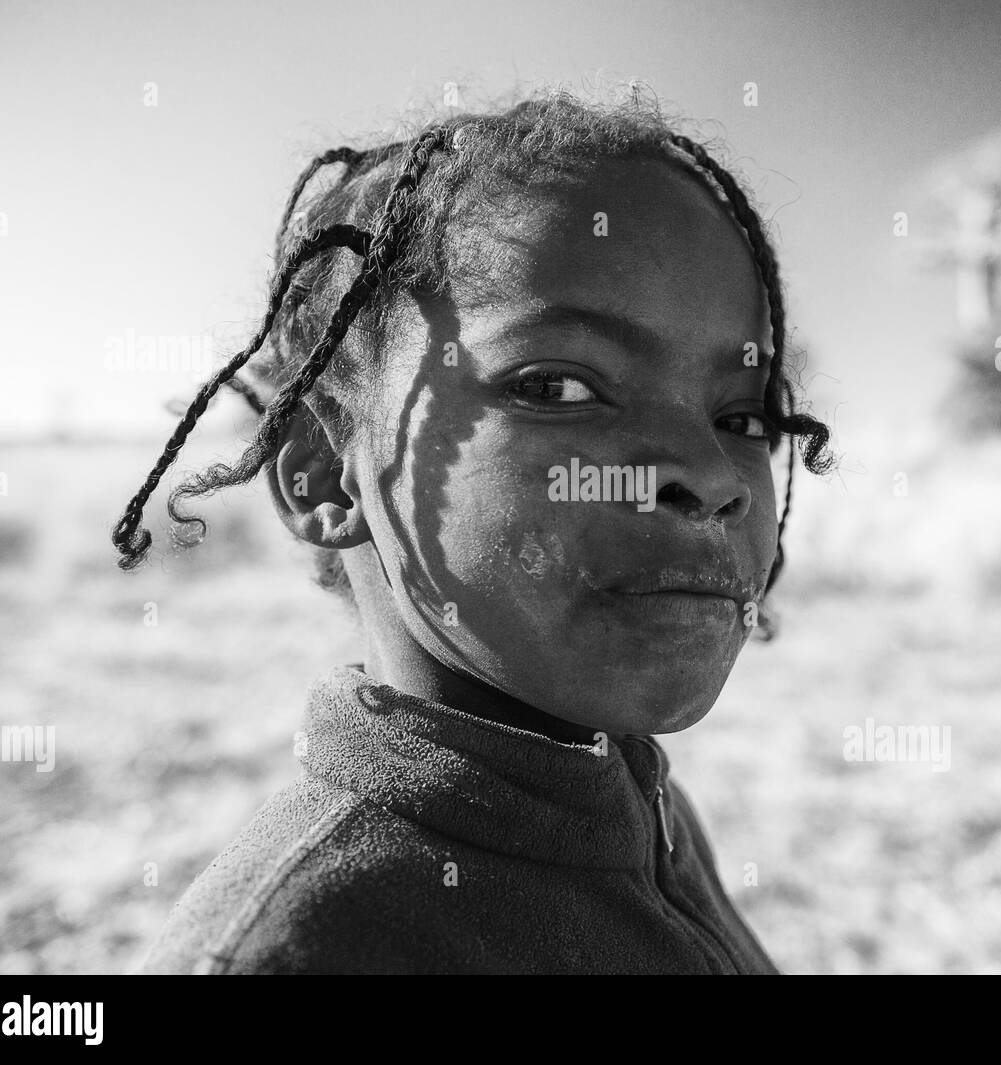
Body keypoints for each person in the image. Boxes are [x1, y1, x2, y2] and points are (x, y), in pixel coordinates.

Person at [114, 92, 830, 974]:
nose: (713, 475)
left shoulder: (637, 808)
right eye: (559, 387)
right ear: (327, 472)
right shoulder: (304, 950)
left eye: (744, 416)